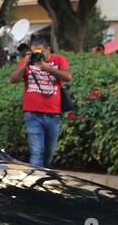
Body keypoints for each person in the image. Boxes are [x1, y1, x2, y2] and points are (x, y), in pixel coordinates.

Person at [8, 34, 71, 167]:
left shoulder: (58, 60)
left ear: (48, 50)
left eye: (40, 52)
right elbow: (13, 79)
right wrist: (25, 64)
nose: (37, 55)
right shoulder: (28, 62)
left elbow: (67, 77)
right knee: (37, 153)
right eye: (34, 52)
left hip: (53, 115)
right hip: (33, 114)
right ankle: (36, 181)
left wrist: (47, 67)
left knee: (49, 152)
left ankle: (44, 177)